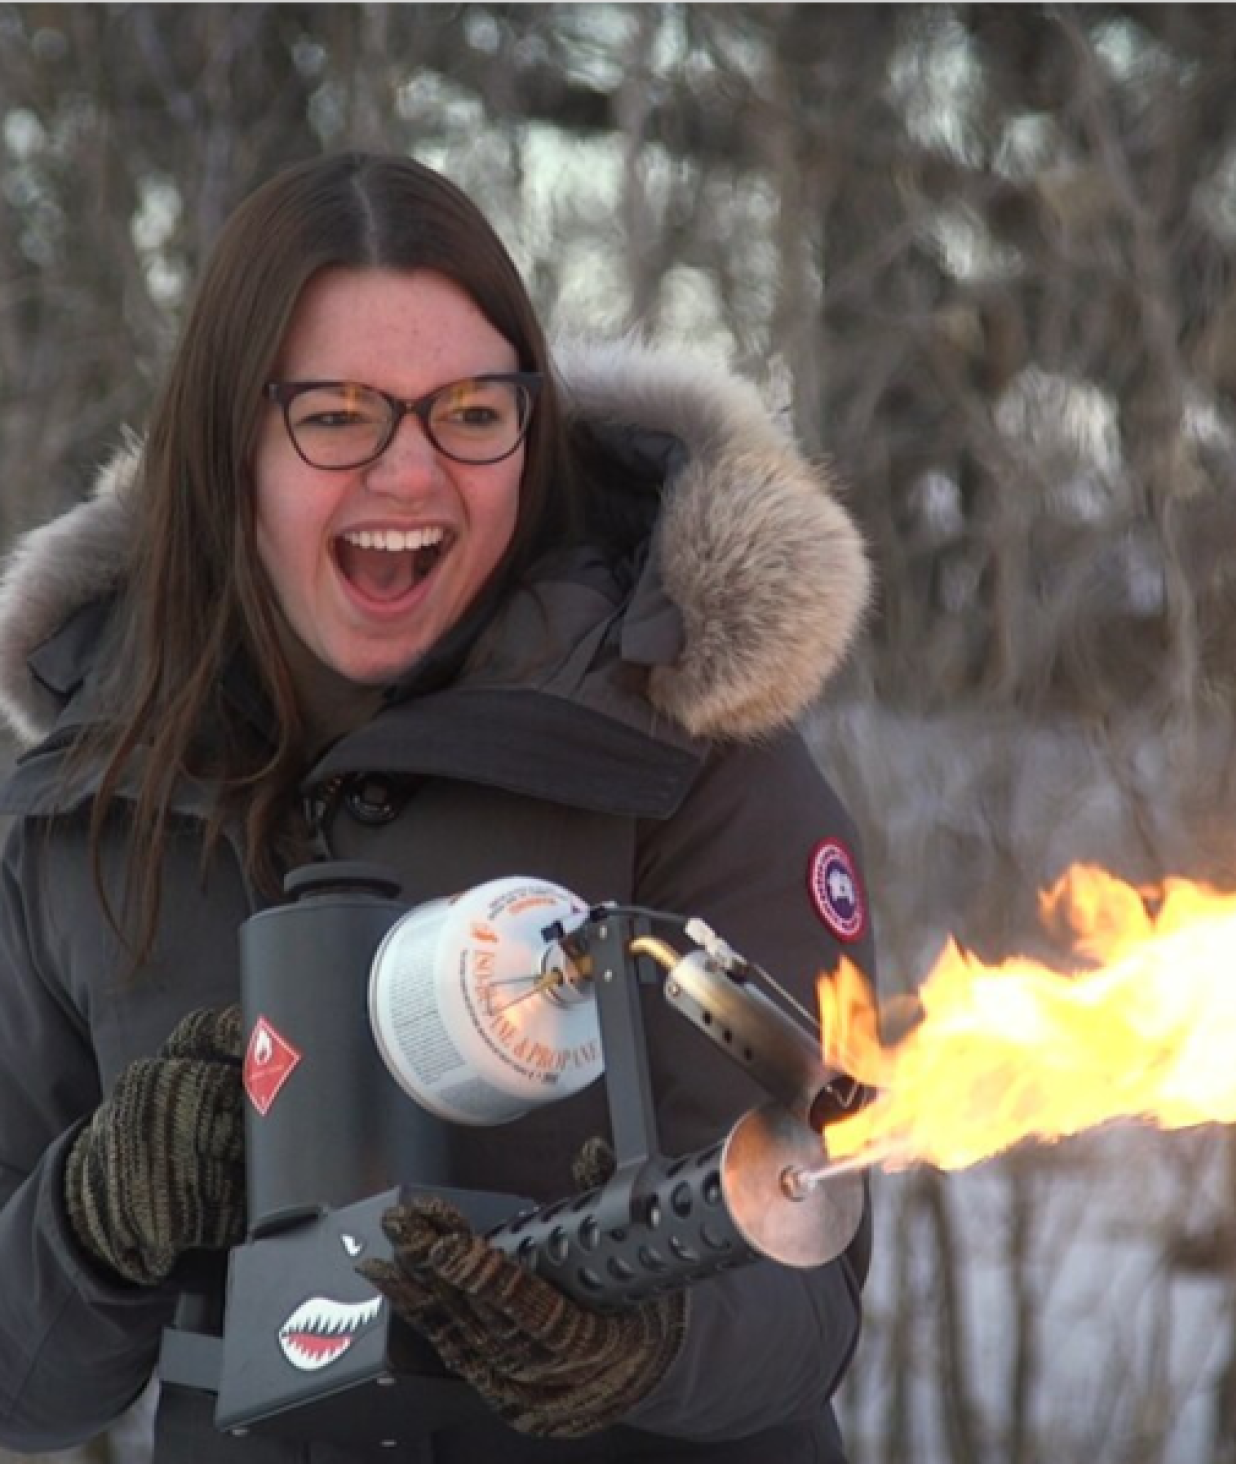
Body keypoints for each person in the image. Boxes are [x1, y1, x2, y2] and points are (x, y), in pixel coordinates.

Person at [0, 152, 876, 1462]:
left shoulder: (678, 741)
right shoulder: (87, 801)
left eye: (471, 412)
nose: (410, 477)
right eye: (338, 415)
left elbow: (805, 1287)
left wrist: (635, 1332)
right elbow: (26, 1391)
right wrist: (90, 1218)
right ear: (227, 444)